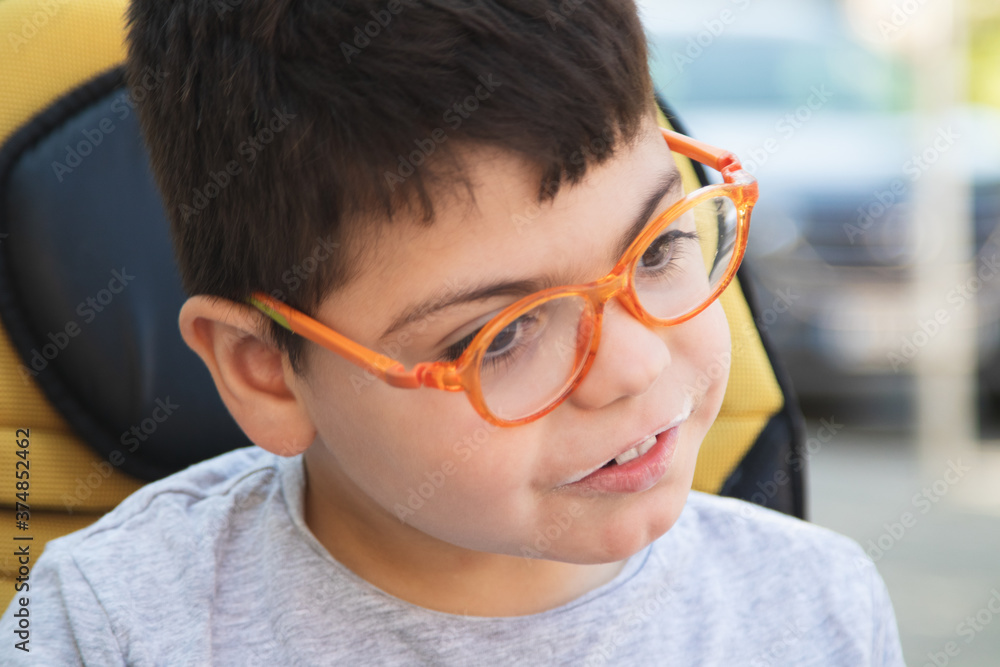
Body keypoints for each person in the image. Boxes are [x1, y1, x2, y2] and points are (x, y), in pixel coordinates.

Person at [0, 0, 904, 664]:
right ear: (265, 370)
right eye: (502, 335)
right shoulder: (106, 623)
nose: (632, 363)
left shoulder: (811, 607)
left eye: (661, 246)